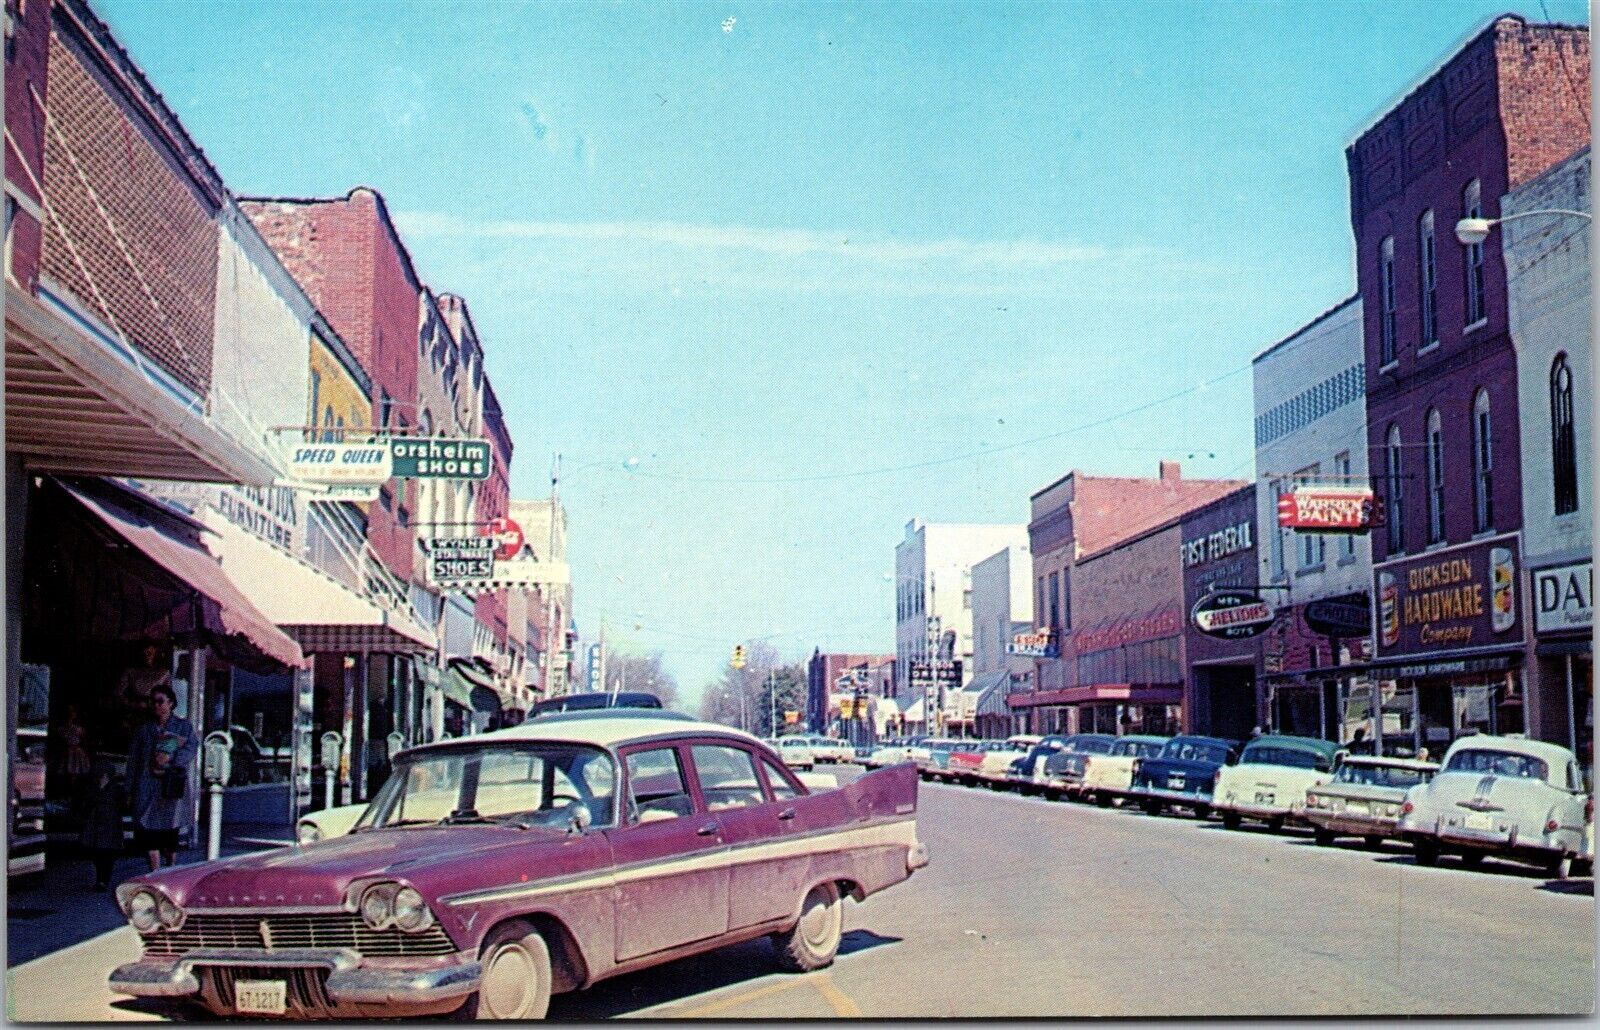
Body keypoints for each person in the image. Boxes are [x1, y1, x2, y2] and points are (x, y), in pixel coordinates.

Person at [126, 684, 197, 871]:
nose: (156, 706)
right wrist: (129, 789)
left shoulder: (183, 726)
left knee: (170, 830)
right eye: (153, 702)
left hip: (170, 785)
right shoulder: (144, 730)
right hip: (147, 784)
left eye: (160, 701)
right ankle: (155, 872)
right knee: (148, 831)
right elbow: (133, 760)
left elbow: (191, 749)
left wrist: (171, 759)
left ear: (171, 703)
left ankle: (170, 868)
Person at [80, 759, 124, 891]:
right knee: (97, 853)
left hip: (110, 824)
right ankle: (101, 879)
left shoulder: (116, 788)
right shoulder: (91, 787)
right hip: (95, 823)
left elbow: (120, 804)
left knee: (107, 854)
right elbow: (87, 802)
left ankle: (103, 880)